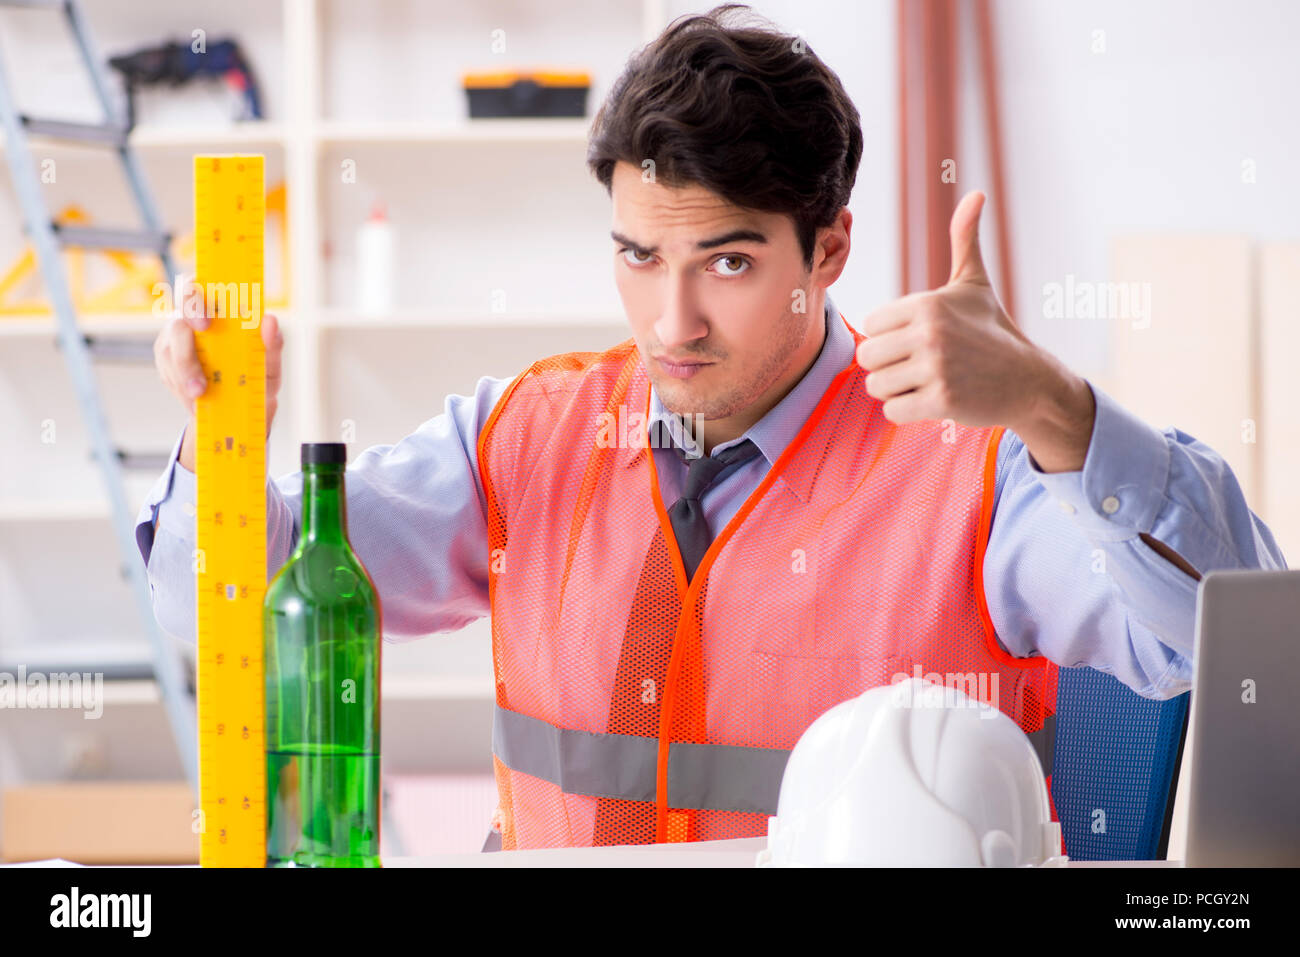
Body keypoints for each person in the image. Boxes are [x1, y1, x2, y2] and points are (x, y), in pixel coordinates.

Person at [137, 5, 1287, 850]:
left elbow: (1245, 658)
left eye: (727, 263)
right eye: (638, 257)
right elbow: (228, 596)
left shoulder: (969, 466)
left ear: (826, 249)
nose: (669, 322)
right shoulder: (526, 434)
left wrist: (1053, 406)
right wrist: (218, 445)